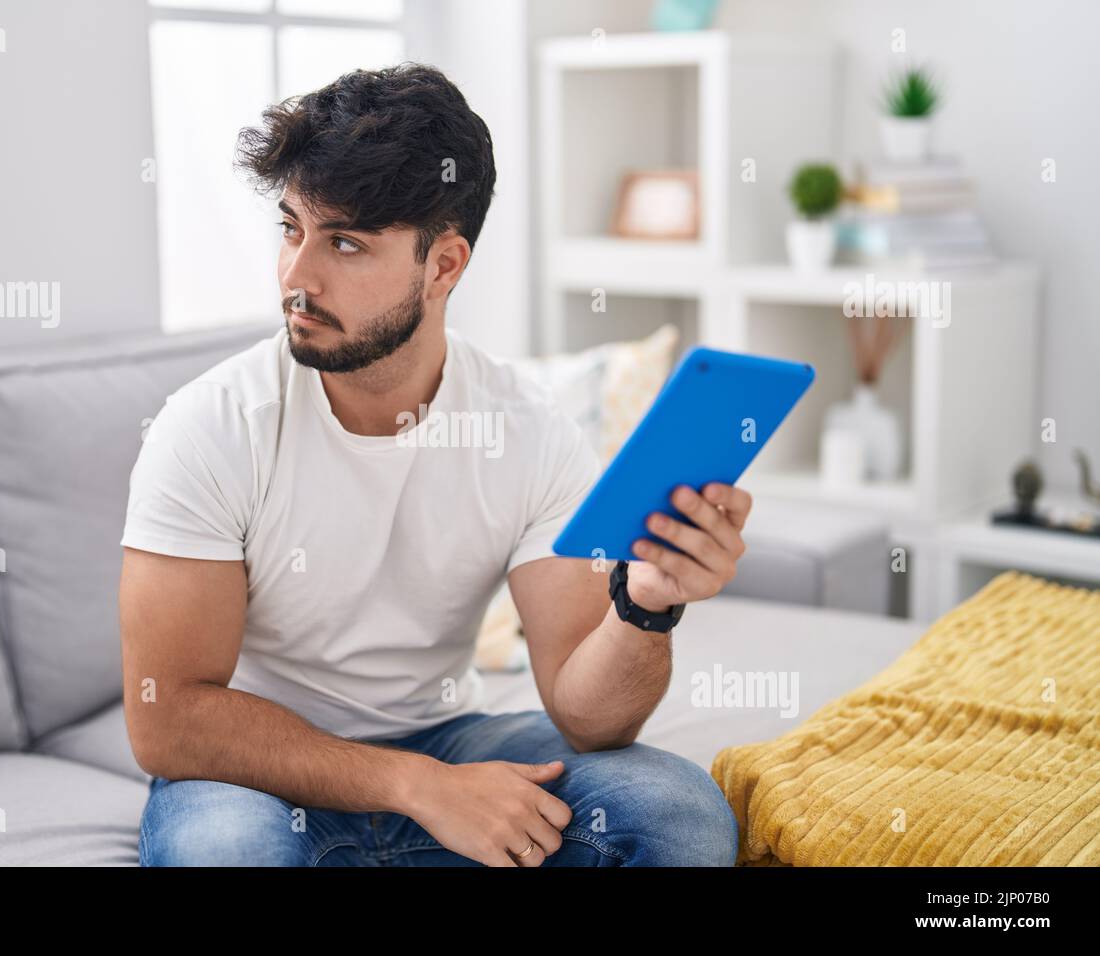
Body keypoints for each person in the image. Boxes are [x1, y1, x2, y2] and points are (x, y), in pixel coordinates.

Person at [119, 63, 747, 867]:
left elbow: (592, 721)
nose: (295, 277)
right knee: (224, 855)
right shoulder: (211, 427)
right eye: (290, 228)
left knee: (676, 812)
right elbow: (166, 719)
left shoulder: (527, 430)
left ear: (444, 266)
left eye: (343, 242)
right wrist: (416, 786)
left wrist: (646, 606)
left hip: (450, 740)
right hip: (255, 774)